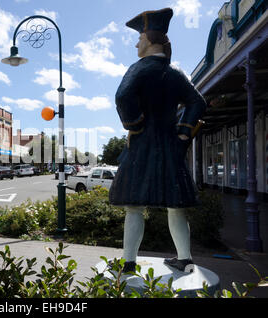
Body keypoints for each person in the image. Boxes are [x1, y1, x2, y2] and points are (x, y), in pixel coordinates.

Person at [109, 8, 207, 272]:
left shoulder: (140, 68)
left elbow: (123, 97)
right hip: (171, 147)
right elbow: (197, 102)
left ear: (150, 41)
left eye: (139, 39)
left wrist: (135, 125)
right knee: (175, 207)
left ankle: (129, 263)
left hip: (140, 146)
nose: (136, 43)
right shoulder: (176, 72)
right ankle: (185, 259)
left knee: (133, 208)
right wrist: (184, 132)